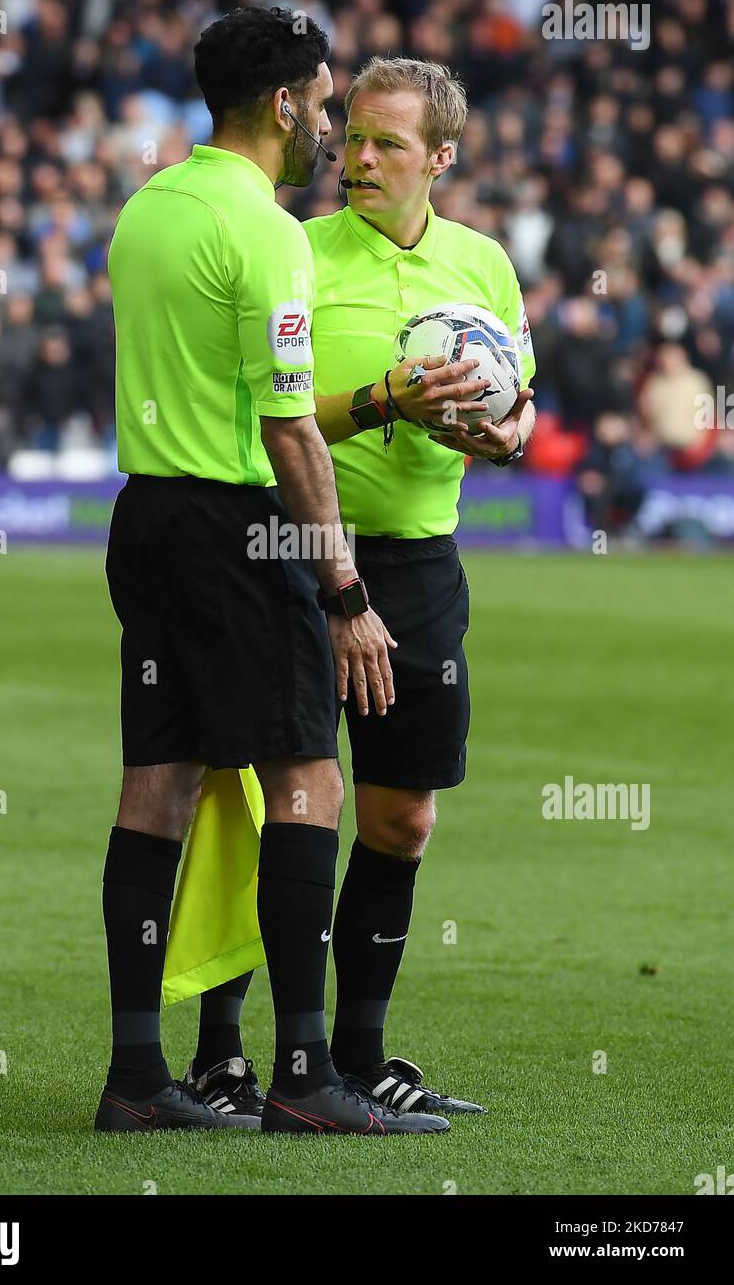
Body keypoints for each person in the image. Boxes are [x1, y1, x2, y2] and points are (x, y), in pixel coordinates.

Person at [96, 10, 449, 1136]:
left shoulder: (146, 209)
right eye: (326, 102)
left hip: (143, 520)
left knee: (157, 786)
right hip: (236, 527)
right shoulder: (266, 231)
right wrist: (343, 591)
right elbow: (291, 432)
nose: (333, 128)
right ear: (286, 101)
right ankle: (305, 1073)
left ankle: (138, 1076)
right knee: (310, 782)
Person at [188, 56, 536, 1121]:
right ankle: (221, 1056)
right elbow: (270, 414)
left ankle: (358, 1056)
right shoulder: (291, 249)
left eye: (387, 142)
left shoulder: (483, 266)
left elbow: (522, 412)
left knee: (399, 820)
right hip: (293, 557)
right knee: (275, 807)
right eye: (351, 137)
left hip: (421, 562)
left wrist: (497, 432)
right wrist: (385, 399)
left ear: (440, 156)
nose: (356, 157)